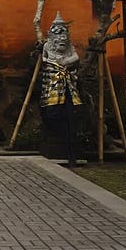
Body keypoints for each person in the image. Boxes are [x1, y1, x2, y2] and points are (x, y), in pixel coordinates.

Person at [39, 13, 82, 166]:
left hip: (68, 85)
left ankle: (72, 153)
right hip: (52, 85)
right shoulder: (47, 46)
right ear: (52, 36)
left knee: (72, 116)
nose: (62, 38)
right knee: (52, 113)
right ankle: (62, 135)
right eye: (58, 34)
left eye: (64, 34)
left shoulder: (69, 48)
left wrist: (65, 61)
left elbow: (76, 58)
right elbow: (43, 59)